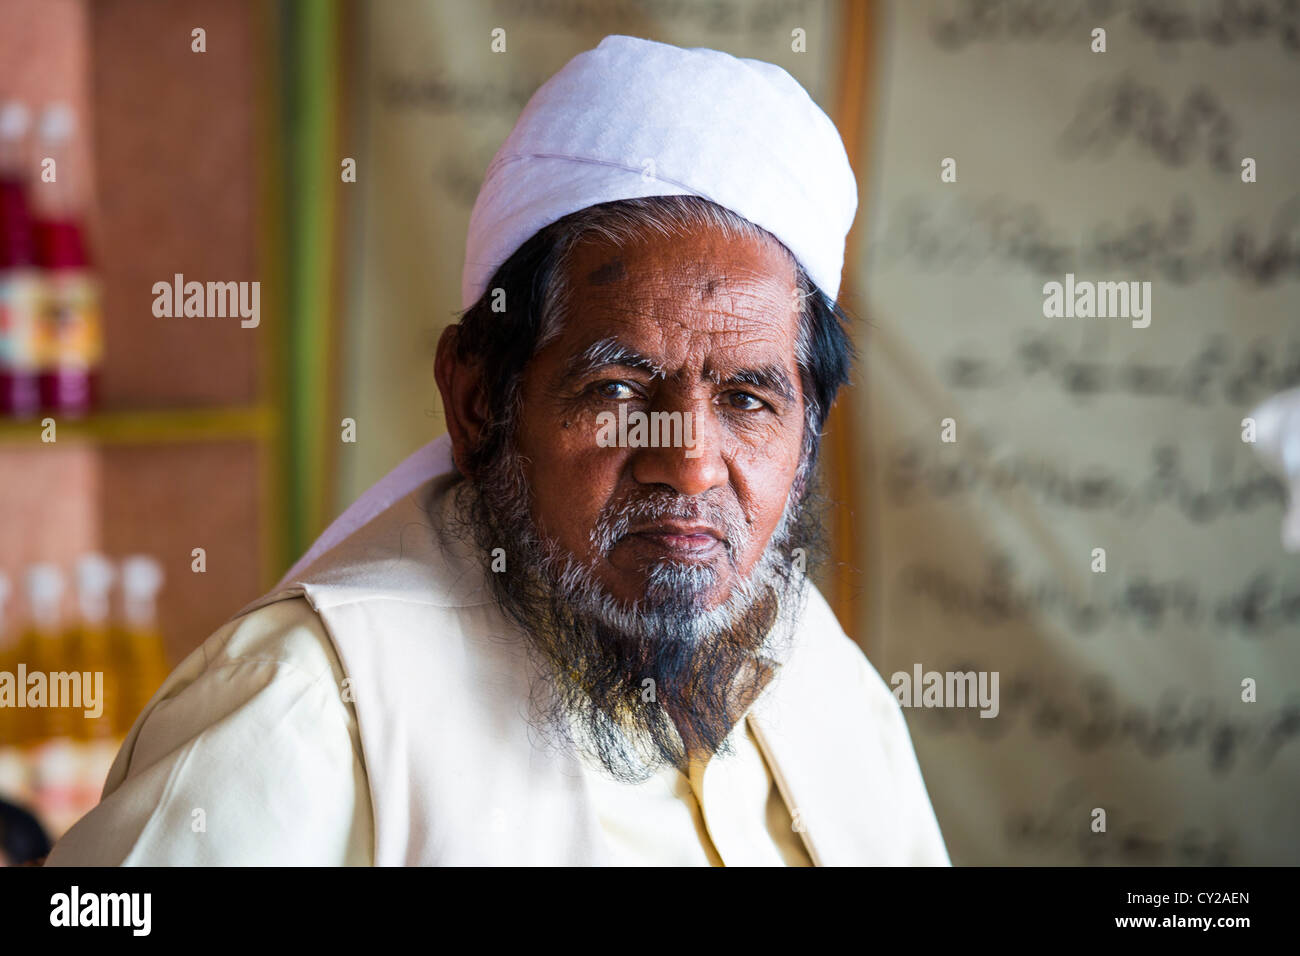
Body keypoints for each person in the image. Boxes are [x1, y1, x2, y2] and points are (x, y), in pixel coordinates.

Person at [46, 34, 949, 866]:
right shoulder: (306, 713)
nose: (690, 464)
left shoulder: (818, 675)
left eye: (749, 400)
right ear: (478, 400)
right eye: (619, 389)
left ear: (809, 433)